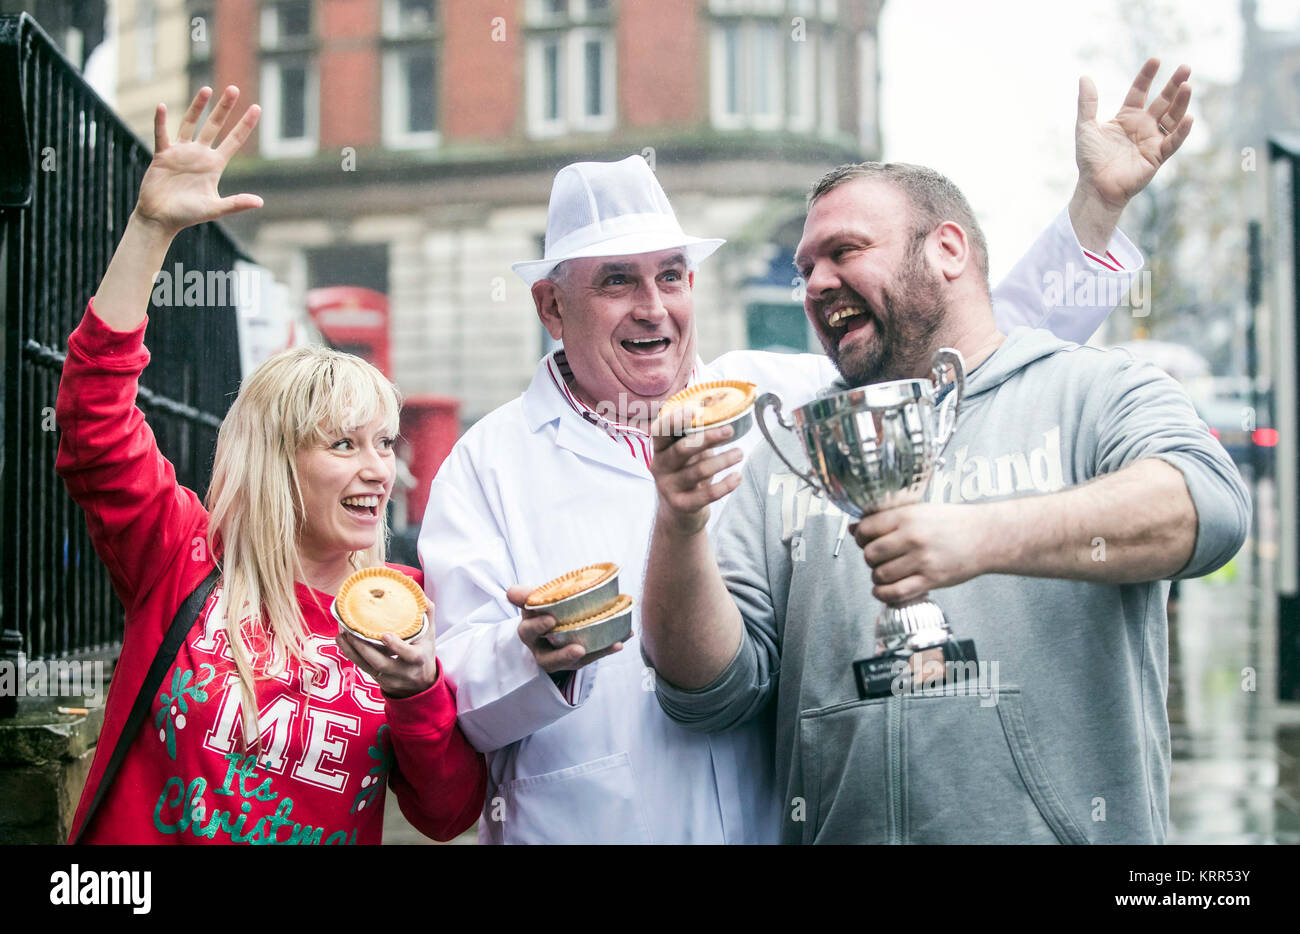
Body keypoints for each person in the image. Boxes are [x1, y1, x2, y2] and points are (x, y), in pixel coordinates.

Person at [419, 60, 1194, 844]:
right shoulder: (488, 468)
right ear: (552, 305)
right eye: (618, 281)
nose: (654, 307)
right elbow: (447, 705)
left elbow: (963, 350)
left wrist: (1094, 213)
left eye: (672, 276)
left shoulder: (780, 402)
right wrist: (535, 656)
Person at [639, 152, 1249, 844]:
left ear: (948, 249)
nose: (816, 284)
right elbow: (710, 692)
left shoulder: (1090, 391)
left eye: (844, 252)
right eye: (804, 269)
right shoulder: (801, 449)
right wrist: (680, 524)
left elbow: (1211, 507)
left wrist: (982, 538)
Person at [60, 86, 486, 844]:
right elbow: (94, 419)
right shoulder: (185, 555)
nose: (377, 471)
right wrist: (151, 230)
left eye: (385, 445)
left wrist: (417, 691)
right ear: (277, 461)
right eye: (344, 444)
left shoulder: (407, 607)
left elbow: (447, 815)